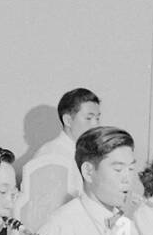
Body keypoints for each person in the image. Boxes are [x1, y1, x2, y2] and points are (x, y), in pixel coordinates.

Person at [26, 87, 102, 226]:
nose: (96, 124)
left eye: (97, 118)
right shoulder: (50, 154)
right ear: (67, 120)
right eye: (89, 118)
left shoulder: (89, 153)